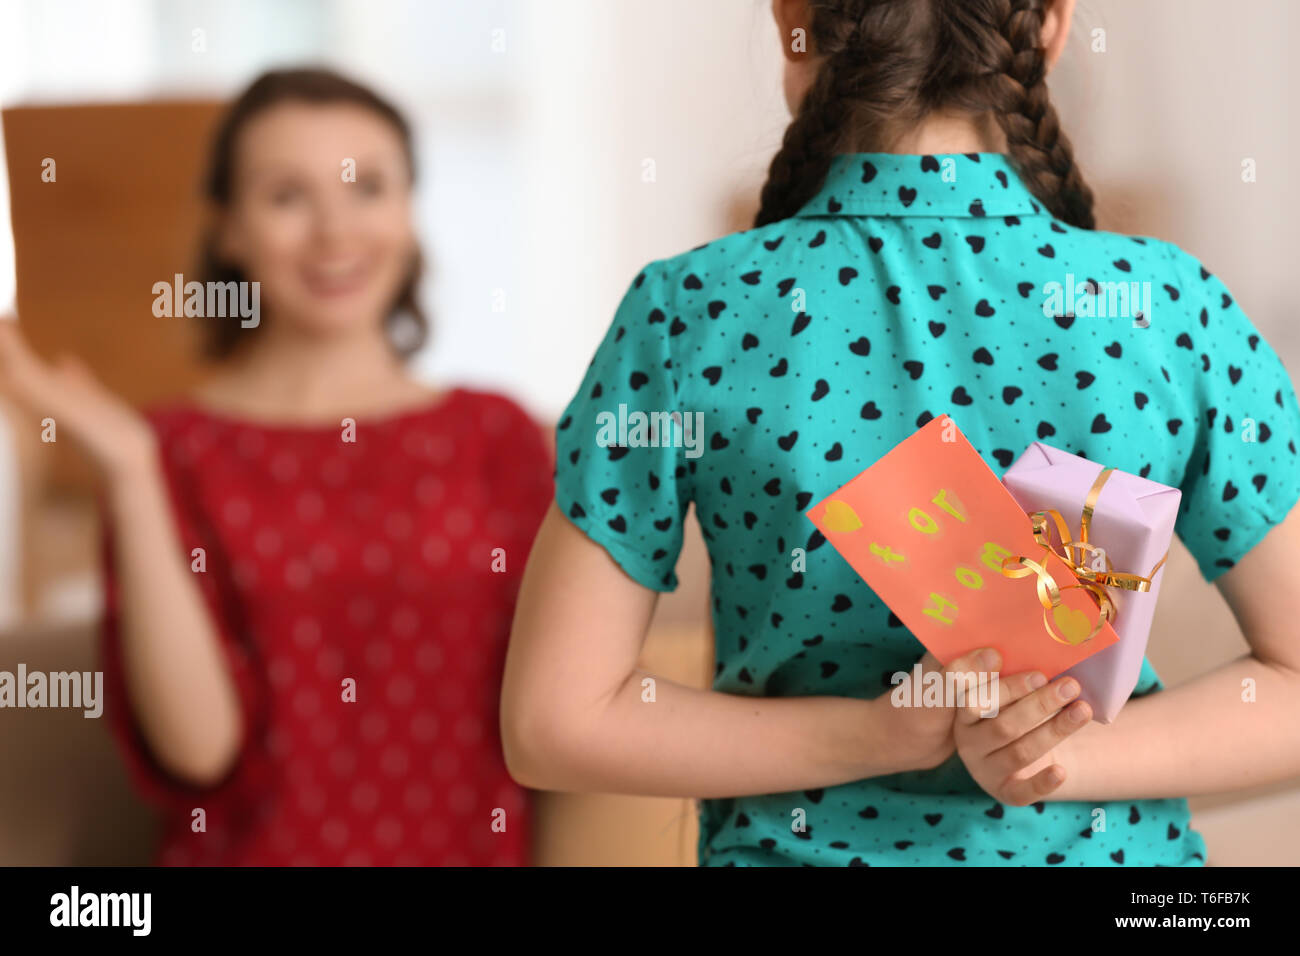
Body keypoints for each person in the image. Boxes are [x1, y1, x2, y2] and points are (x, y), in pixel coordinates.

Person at [501, 0, 1300, 866]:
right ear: (1054, 26)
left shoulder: (688, 313)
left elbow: (554, 723)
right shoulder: (1169, 304)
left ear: (790, 23)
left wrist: (883, 735)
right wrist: (1057, 749)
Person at [0, 68, 552, 865]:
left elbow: (577, 688)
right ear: (228, 230)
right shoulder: (168, 451)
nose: (335, 230)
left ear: (410, 212)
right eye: (286, 195)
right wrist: (128, 470)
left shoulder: (497, 436)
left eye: (367, 186)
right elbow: (200, 751)